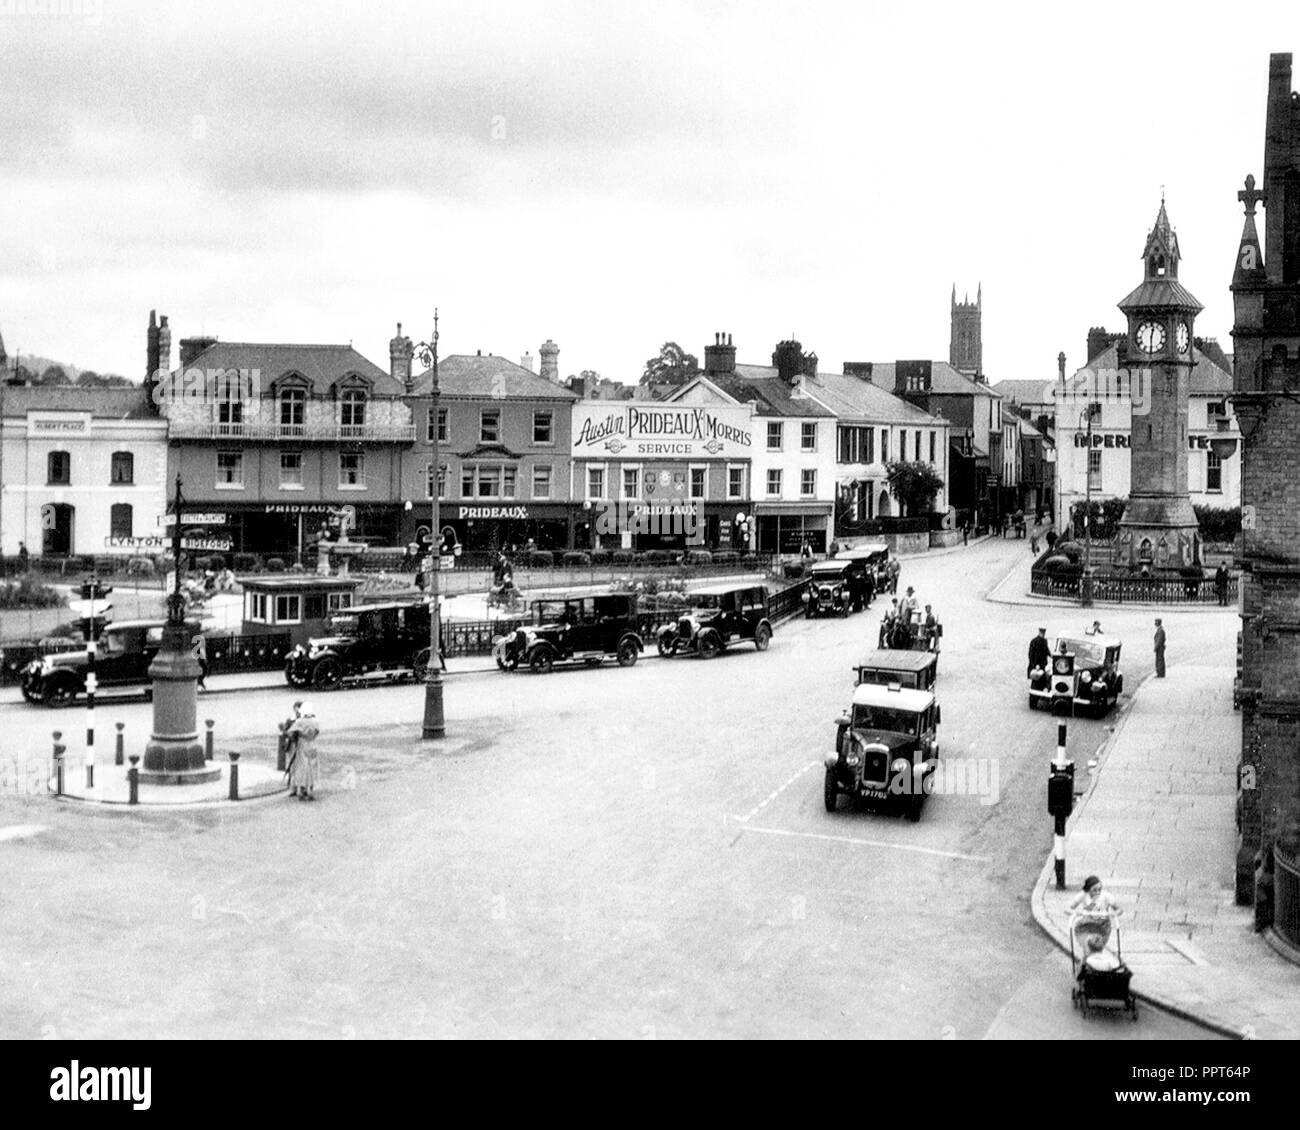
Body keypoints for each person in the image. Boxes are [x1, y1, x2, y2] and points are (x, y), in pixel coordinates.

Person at [1068, 874, 1122, 949]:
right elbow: (1068, 909)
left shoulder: (1106, 896)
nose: (1097, 892)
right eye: (1094, 890)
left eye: (1099, 889)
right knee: (1087, 946)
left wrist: (1113, 914)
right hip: (1087, 924)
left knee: (1097, 947)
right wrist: (1076, 913)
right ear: (1088, 890)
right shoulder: (1083, 895)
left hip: (1102, 925)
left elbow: (1119, 910)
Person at [286, 700, 321, 801]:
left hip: (302, 744)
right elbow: (317, 731)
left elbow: (290, 732)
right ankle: (310, 788)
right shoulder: (315, 721)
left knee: (302, 767)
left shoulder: (299, 722)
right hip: (312, 743)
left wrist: (296, 737)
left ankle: (301, 789)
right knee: (312, 766)